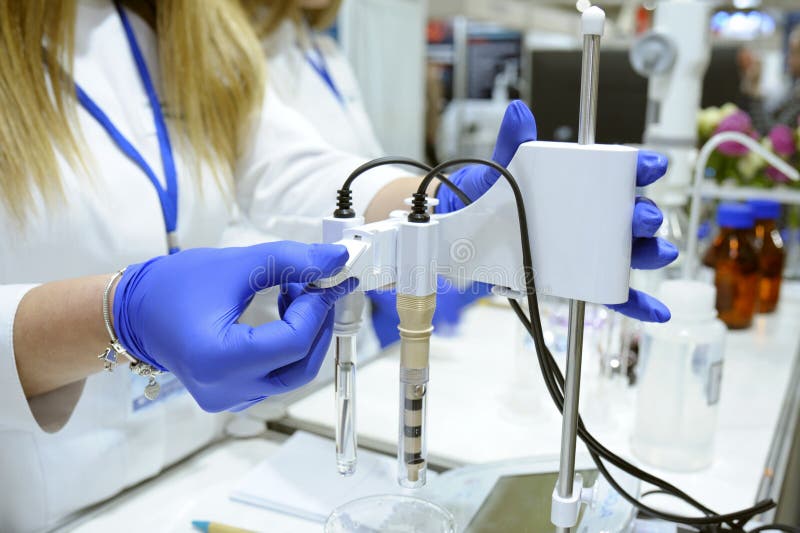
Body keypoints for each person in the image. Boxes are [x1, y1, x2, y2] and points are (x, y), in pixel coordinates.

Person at [0, 1, 675, 531]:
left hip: (212, 475)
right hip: (47, 505)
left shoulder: (188, 33)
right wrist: (114, 314)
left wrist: (462, 212)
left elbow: (305, 176)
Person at [740, 25, 800, 134]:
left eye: (793, 52)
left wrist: (755, 90)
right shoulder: (795, 89)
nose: (788, 59)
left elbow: (772, 134)